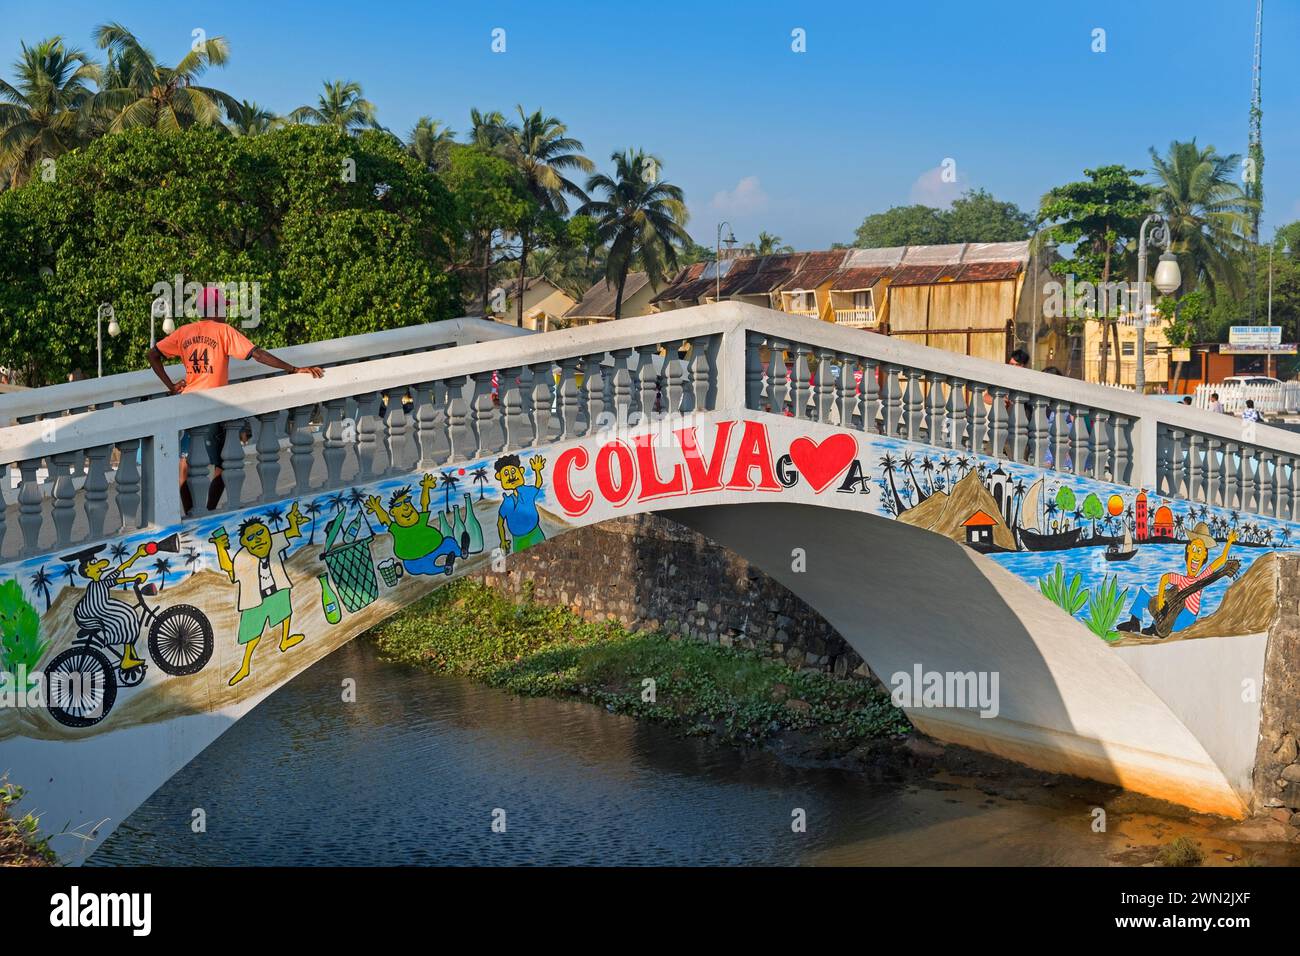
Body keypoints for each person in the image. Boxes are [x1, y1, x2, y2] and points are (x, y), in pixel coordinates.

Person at [146, 287, 325, 514]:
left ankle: (191, 512)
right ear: (215, 309)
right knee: (225, 465)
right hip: (216, 406)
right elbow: (256, 353)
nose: (226, 314)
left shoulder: (184, 332)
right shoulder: (223, 331)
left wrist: (171, 387)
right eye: (224, 308)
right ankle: (208, 510)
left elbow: (152, 354)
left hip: (189, 405)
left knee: (185, 465)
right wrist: (293, 369)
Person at [211, 502, 308, 686]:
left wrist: (292, 519)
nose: (258, 539)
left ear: (267, 532)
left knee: (285, 612)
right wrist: (220, 547)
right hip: (255, 600)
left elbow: (293, 532)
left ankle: (285, 639)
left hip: (277, 589)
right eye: (252, 537)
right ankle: (245, 665)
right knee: (252, 633)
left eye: (261, 533)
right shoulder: (241, 556)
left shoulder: (272, 540)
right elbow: (228, 568)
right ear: (244, 543)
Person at [1117, 523, 1236, 636]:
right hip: (1174, 612)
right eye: (1194, 549)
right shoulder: (1180, 579)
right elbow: (1165, 578)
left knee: (1174, 607)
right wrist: (1160, 598)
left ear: (1204, 555)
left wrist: (1229, 542)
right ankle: (1134, 623)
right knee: (1145, 596)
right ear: (1188, 549)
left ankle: (1155, 627)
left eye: (1199, 552)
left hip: (1186, 617)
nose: (1196, 555)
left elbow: (1221, 560)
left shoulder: (1202, 577)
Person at [64, 542, 152, 671]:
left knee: (129, 615)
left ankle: (131, 656)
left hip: (97, 609)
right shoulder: (95, 585)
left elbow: (120, 571)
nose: (99, 565)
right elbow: (98, 603)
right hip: (93, 612)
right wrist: (134, 578)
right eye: (94, 564)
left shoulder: (101, 581)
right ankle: (127, 660)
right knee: (126, 615)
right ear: (88, 571)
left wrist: (137, 555)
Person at [365, 474, 465, 576]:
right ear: (393, 512)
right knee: (414, 567)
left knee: (449, 542)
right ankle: (445, 568)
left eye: (407, 502)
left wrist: (426, 487)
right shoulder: (396, 528)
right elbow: (385, 519)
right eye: (399, 505)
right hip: (415, 558)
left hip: (436, 547)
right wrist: (377, 508)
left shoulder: (420, 520)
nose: (405, 507)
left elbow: (424, 504)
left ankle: (461, 552)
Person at [495, 454, 547, 553]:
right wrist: (503, 540)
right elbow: (500, 523)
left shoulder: (527, 491)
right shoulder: (507, 502)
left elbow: (538, 484)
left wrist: (537, 470)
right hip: (518, 540)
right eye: (506, 474)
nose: (511, 476)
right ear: (499, 477)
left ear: (521, 471)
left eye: (513, 471)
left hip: (535, 533)